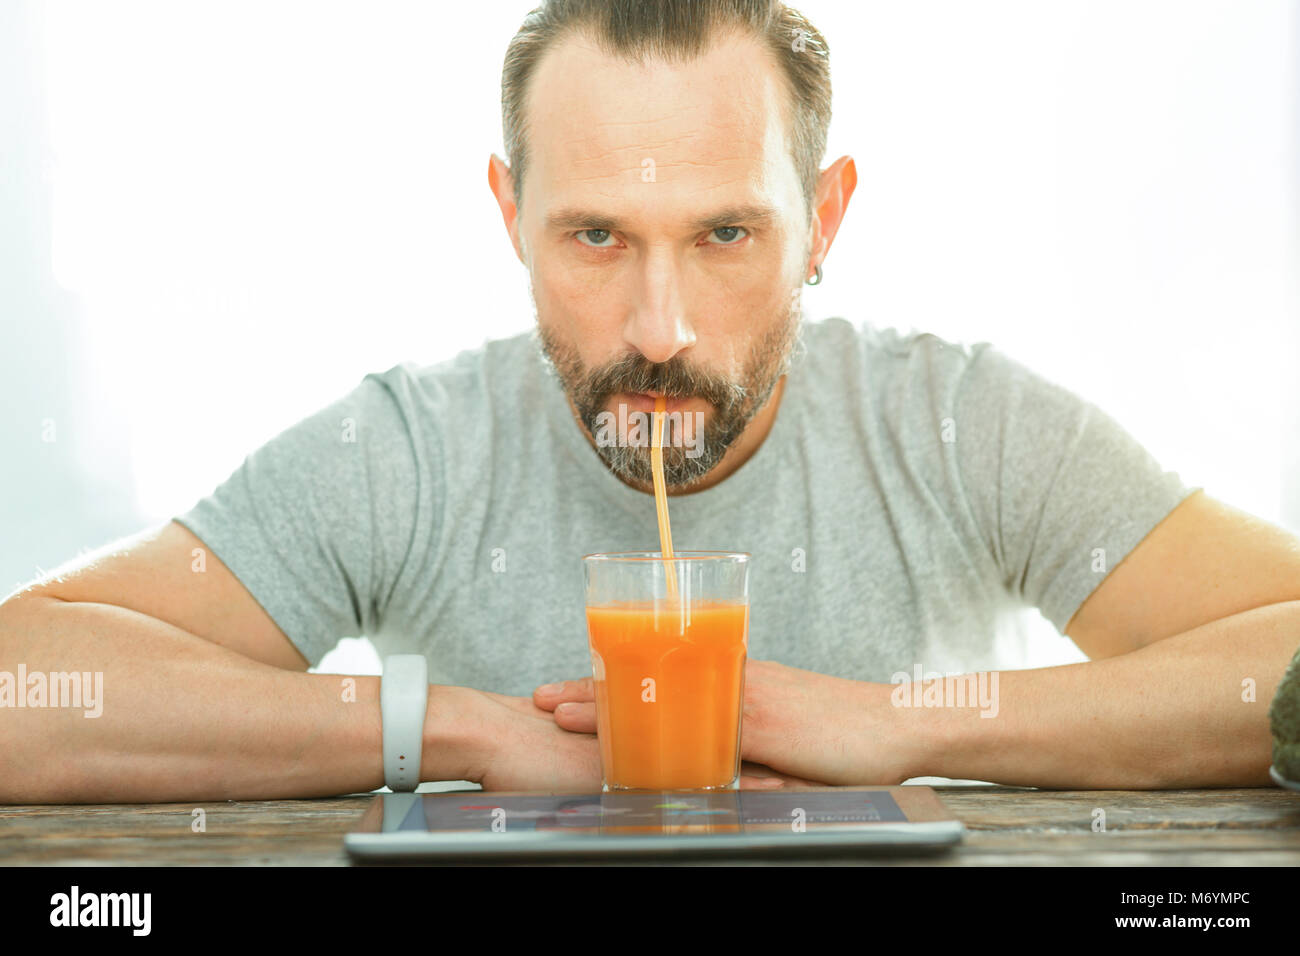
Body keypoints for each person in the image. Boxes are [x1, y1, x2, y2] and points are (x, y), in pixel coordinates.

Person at [3, 0, 1299, 804]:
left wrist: (901, 724)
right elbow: (20, 687)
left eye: (728, 234)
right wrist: (463, 731)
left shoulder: (963, 427)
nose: (659, 332)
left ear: (824, 220)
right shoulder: (410, 452)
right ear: (510, 216)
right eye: (596, 239)